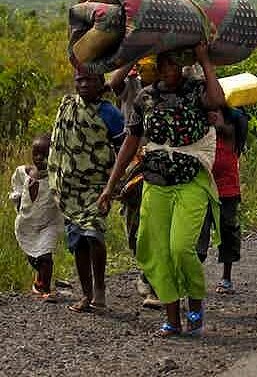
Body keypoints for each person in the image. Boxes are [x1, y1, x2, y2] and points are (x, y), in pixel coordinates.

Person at [98, 45, 225, 337]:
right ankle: (172, 318)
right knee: (156, 250)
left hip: (191, 178)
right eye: (163, 63)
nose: (168, 69)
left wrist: (205, 60)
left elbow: (218, 101)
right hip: (155, 180)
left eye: (173, 63)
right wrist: (110, 186)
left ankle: (195, 302)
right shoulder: (145, 97)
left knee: (181, 247)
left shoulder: (196, 90)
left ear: (182, 64)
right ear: (155, 65)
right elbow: (131, 141)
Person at [49, 68, 125, 313]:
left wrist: (116, 184)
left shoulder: (109, 113)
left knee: (93, 235)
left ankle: (100, 290)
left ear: (100, 83)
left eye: (89, 80)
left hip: (96, 186)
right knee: (78, 242)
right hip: (70, 188)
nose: (83, 84)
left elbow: (123, 146)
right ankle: (86, 293)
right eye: (79, 80)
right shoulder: (68, 107)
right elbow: (58, 145)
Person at [108, 57, 163, 309]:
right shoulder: (131, 85)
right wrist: (132, 53)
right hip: (133, 165)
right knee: (134, 227)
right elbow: (113, 82)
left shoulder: (169, 85)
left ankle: (156, 282)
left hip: (162, 165)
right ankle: (145, 268)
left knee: (157, 225)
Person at [197, 107, 247, 294]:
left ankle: (226, 278)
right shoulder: (203, 129)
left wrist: (215, 119)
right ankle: (194, 277)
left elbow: (222, 128)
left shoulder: (231, 129)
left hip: (227, 190)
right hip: (204, 188)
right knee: (199, 232)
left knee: (227, 231)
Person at [9, 134, 62, 302]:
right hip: (27, 224)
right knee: (33, 258)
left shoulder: (56, 176)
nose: (40, 158)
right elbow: (16, 186)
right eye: (36, 153)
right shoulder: (23, 172)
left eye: (45, 155)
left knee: (45, 257)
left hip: (49, 224)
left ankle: (45, 289)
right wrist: (17, 201)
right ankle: (39, 281)